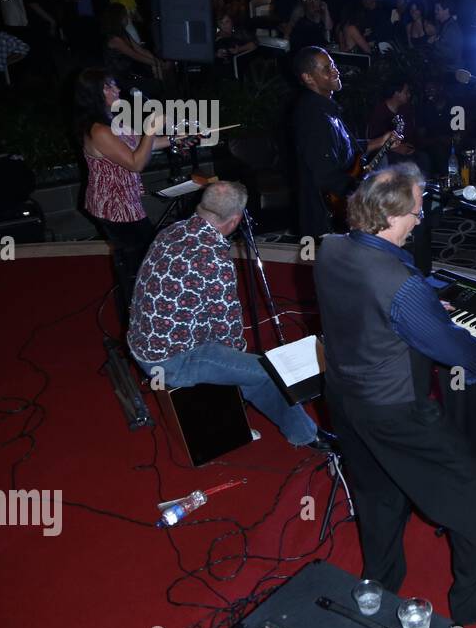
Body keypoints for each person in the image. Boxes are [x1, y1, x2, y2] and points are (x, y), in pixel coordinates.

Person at [313, 165, 476, 624]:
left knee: (378, 494)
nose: (420, 216)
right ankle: (475, 605)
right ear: (391, 217)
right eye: (416, 209)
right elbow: (453, 349)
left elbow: (365, 304)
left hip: (343, 400)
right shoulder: (401, 287)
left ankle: (380, 584)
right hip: (396, 409)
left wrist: (422, 306)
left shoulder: (330, 248)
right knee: (472, 492)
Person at [129, 180, 335, 451]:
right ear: (236, 219)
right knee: (265, 372)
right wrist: (242, 364)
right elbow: (227, 331)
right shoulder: (214, 258)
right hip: (172, 360)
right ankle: (307, 435)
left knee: (248, 368)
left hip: (142, 342)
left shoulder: (173, 230)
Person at [74, 69, 170, 319]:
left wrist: (180, 138)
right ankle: (137, 319)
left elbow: (142, 143)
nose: (117, 90)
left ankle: (137, 315)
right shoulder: (99, 130)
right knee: (139, 262)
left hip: (123, 202)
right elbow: (136, 162)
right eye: (108, 87)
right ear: (94, 94)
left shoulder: (112, 120)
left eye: (115, 85)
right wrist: (151, 129)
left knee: (135, 259)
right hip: (115, 206)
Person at [291, 46, 388, 241]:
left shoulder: (325, 109)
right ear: (308, 78)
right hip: (325, 219)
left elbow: (343, 149)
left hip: (337, 215)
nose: (335, 71)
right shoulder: (313, 115)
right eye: (327, 68)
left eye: (333, 65)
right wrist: (363, 193)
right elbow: (324, 173)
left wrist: (380, 142)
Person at [101, 3, 163, 94]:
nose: (128, 17)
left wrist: (155, 61)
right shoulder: (114, 39)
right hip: (119, 77)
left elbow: (140, 50)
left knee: (155, 71)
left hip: (129, 72)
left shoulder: (123, 33)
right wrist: (157, 63)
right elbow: (135, 55)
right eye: (125, 15)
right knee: (153, 82)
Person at [426, 0, 463, 76]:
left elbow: (452, 54)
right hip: (443, 71)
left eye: (438, 9)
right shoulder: (441, 25)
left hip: (451, 73)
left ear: (446, 10)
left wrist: (434, 44)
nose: (435, 11)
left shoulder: (452, 29)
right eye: (435, 9)